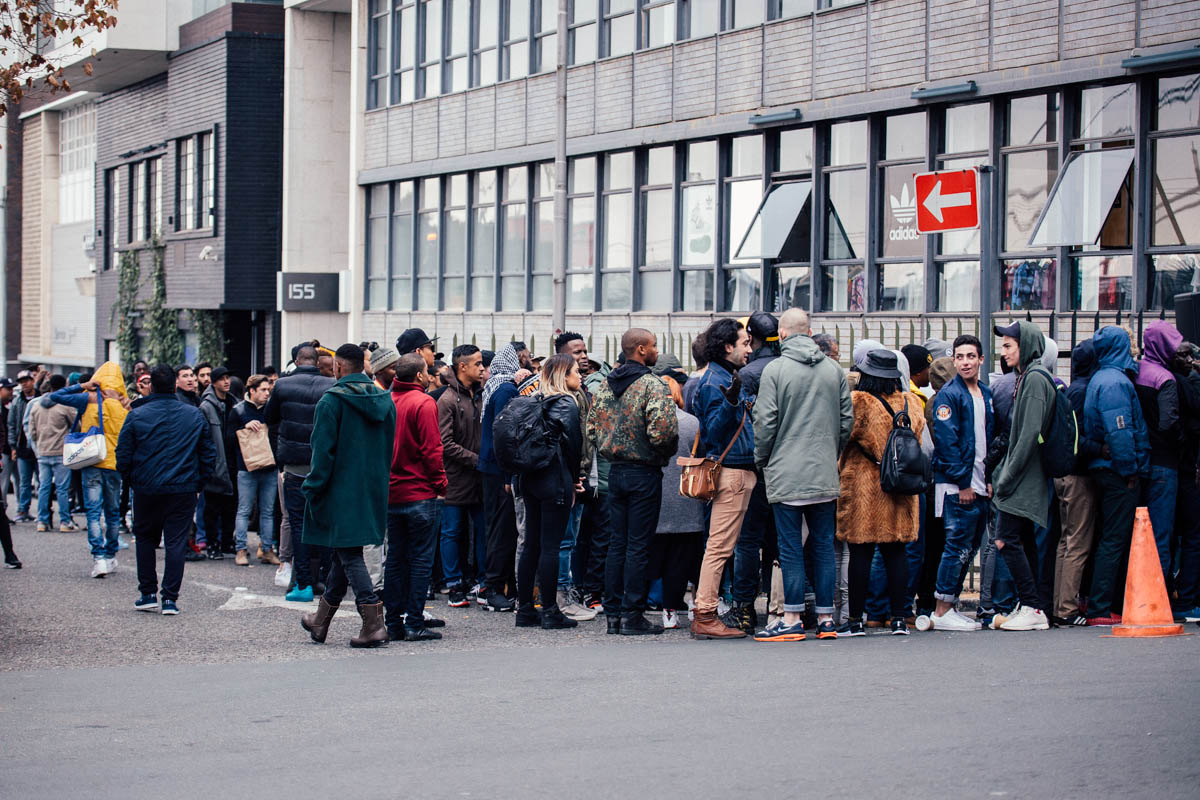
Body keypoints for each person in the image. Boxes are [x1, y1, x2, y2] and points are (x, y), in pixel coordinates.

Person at [752, 308, 851, 641]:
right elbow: (845, 422)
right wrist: (830, 454)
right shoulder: (833, 370)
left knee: (791, 546)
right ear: (810, 333)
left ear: (781, 334)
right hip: (823, 471)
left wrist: (762, 460)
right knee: (823, 545)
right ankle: (826, 619)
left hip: (786, 471)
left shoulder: (776, 370)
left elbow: (765, 423)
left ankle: (792, 616)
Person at [299, 344, 396, 648]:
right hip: (374, 487)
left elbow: (321, 454)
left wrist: (312, 488)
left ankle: (373, 623)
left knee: (349, 553)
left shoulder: (331, 402)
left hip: (340, 489)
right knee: (346, 552)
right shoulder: (385, 400)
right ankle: (320, 620)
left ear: (338, 367)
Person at [588, 328, 678, 635]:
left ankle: (613, 613)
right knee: (638, 545)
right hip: (644, 471)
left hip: (615, 471)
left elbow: (591, 429)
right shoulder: (652, 385)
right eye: (653, 346)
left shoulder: (604, 385)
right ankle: (633, 614)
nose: (656, 350)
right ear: (640, 350)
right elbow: (663, 431)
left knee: (617, 542)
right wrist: (660, 453)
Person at [837, 351, 925, 636]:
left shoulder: (859, 402)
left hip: (865, 486)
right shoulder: (912, 403)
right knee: (896, 553)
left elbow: (843, 436)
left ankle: (855, 621)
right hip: (900, 487)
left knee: (861, 554)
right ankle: (899, 618)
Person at [117, 364, 216, 615]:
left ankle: (147, 593)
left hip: (146, 486)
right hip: (183, 486)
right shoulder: (193, 414)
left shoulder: (137, 415)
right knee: (175, 541)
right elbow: (208, 454)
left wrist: (131, 479)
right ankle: (170, 598)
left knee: (146, 539)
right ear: (174, 385)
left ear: (151, 385)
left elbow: (123, 455)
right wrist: (199, 484)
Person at [990, 321, 1059, 632]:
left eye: (1008, 346)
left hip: (1021, 477)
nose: (1002, 352)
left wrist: (1006, 476)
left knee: (1005, 539)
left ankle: (1032, 606)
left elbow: (1028, 435)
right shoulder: (1029, 377)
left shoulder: (1033, 380)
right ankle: (1033, 604)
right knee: (1025, 540)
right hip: (1024, 475)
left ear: (1026, 345)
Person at [690, 318, 754, 640]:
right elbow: (713, 432)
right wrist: (731, 402)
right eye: (744, 343)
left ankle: (705, 612)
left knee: (720, 546)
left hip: (735, 470)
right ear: (728, 346)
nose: (749, 349)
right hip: (732, 470)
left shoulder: (722, 376)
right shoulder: (717, 381)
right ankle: (705, 613)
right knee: (719, 547)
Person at [1082, 325, 1150, 626]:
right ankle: (1101, 606)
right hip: (1117, 472)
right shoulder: (1115, 383)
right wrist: (1130, 469)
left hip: (1106, 469)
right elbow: (1120, 430)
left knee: (1109, 536)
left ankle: (1101, 604)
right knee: (1114, 538)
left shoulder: (1103, 377)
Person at [514, 354, 585, 630]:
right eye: (576, 372)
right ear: (564, 375)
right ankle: (551, 610)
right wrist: (576, 477)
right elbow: (573, 445)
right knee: (551, 546)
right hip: (555, 479)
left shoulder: (535, 399)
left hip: (530, 478)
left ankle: (525, 609)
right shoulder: (566, 402)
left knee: (531, 543)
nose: (580, 376)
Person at [928, 335, 993, 631]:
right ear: (953, 360)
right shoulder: (949, 395)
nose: (965, 362)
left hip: (980, 484)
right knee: (956, 546)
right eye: (960, 356)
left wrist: (987, 480)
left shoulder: (986, 394)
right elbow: (946, 442)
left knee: (969, 548)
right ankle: (942, 610)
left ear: (981, 359)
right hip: (958, 487)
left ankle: (950, 605)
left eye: (971, 356)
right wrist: (963, 483)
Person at [383, 353, 448, 641]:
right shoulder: (423, 402)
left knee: (396, 559)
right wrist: (441, 483)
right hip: (420, 491)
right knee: (421, 559)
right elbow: (432, 449)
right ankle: (414, 621)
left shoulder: (386, 400)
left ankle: (393, 621)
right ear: (420, 376)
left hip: (391, 490)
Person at [265, 343, 335, 602]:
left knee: (298, 524)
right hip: (322, 464)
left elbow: (270, 418)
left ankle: (303, 583)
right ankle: (329, 580)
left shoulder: (282, 385)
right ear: (317, 362)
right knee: (324, 523)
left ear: (295, 360)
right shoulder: (330, 386)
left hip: (293, 465)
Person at [49, 363, 129, 578]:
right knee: (113, 513)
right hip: (114, 464)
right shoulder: (125, 404)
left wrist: (82, 385)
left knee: (93, 513)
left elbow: (55, 397)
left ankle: (99, 558)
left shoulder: (89, 399)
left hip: (92, 461)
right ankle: (111, 556)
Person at [727, 311, 780, 635]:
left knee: (747, 541)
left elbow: (747, 423)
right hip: (784, 466)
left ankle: (744, 608)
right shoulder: (788, 369)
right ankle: (780, 607)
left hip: (752, 463)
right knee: (782, 541)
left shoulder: (748, 374)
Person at [1052, 339, 1103, 626]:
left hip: (1064, 474)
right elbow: (1078, 439)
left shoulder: (1072, 389)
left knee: (1066, 541)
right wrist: (1100, 449)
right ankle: (1068, 608)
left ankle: (1061, 604)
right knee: (1078, 544)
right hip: (1079, 475)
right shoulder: (1085, 391)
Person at [650, 359, 703, 629]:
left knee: (654, 557)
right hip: (687, 497)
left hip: (656, 497)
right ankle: (685, 605)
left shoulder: (647, 422)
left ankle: (659, 606)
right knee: (683, 559)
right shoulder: (692, 423)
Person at [551, 332, 598, 622]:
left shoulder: (581, 393)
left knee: (572, 538)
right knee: (564, 540)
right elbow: (569, 442)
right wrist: (575, 475)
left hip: (578, 476)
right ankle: (561, 595)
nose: (583, 356)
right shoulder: (562, 397)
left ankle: (565, 592)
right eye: (576, 352)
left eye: (584, 351)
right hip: (567, 478)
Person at [1135, 320, 1184, 581]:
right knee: (1161, 535)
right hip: (1164, 464)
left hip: (1139, 461)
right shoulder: (1165, 379)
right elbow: (1169, 423)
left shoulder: (1135, 372)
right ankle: (1159, 595)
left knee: (1138, 534)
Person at [437, 344, 486, 608]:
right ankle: (453, 583)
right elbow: (445, 443)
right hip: (455, 477)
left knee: (483, 530)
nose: (482, 368)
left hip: (479, 477)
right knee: (452, 532)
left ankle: (482, 581)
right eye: (477, 364)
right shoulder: (447, 399)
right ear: (462, 366)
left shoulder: (480, 395)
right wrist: (477, 460)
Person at [476, 343, 523, 612]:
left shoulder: (494, 386)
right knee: (502, 530)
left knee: (496, 527)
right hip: (499, 471)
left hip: (490, 467)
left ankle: (493, 585)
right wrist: (509, 473)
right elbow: (504, 434)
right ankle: (493, 588)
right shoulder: (506, 389)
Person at [230, 374, 279, 566]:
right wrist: (244, 427)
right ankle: (240, 550)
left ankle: (267, 549)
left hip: (269, 465)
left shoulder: (271, 410)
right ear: (251, 391)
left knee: (267, 511)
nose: (267, 393)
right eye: (263, 390)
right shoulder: (239, 411)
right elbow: (228, 439)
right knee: (244, 509)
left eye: (268, 390)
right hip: (246, 467)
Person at [28, 375, 79, 533]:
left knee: (44, 487)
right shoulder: (65, 405)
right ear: (64, 385)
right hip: (60, 451)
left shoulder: (36, 406)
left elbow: (32, 431)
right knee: (62, 488)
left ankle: (42, 521)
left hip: (43, 451)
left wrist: (39, 445)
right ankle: (65, 522)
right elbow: (76, 426)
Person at [199, 367, 238, 559]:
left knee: (231, 505)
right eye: (222, 379)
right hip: (215, 462)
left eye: (227, 377)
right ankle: (213, 544)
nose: (226, 382)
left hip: (231, 461)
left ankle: (226, 542)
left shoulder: (233, 402)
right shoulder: (206, 406)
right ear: (213, 383)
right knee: (212, 508)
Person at [9, 369, 38, 523]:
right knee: (24, 482)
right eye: (22, 382)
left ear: (33, 381)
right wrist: (13, 446)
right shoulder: (17, 402)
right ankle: (23, 509)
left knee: (42, 481)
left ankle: (44, 512)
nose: (25, 384)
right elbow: (12, 425)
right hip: (22, 447)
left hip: (40, 447)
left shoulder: (41, 398)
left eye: (27, 380)